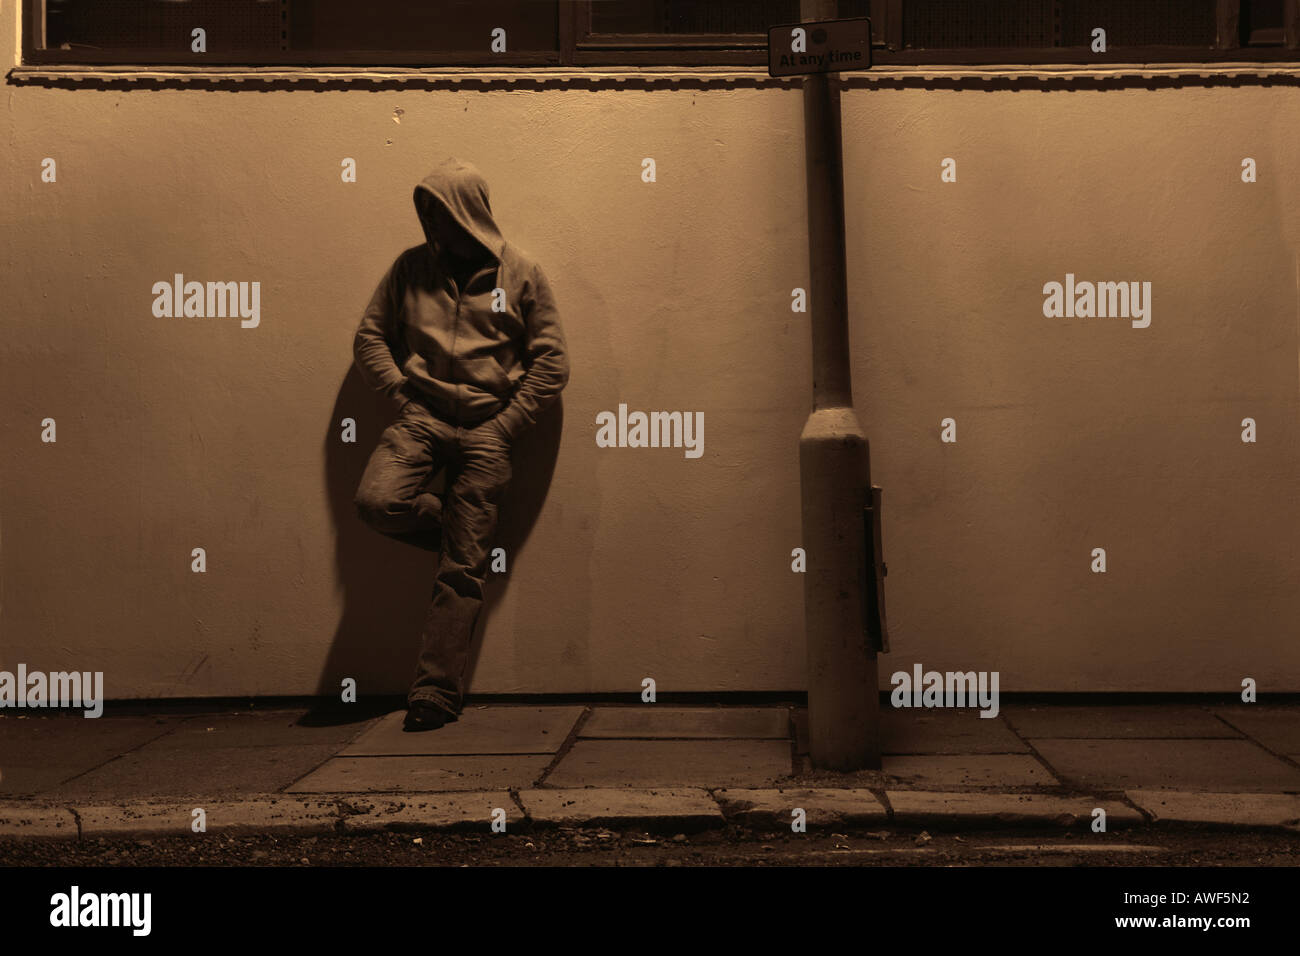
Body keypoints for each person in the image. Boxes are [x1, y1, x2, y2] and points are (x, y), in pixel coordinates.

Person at [352, 158, 570, 731]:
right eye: (424, 210)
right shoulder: (409, 269)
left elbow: (552, 362)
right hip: (419, 419)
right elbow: (371, 335)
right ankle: (458, 535)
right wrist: (401, 394)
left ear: (467, 212)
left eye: (439, 211)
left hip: (486, 430)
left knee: (461, 572)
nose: (430, 223)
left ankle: (435, 695)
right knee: (377, 503)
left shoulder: (521, 274)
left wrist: (504, 425)